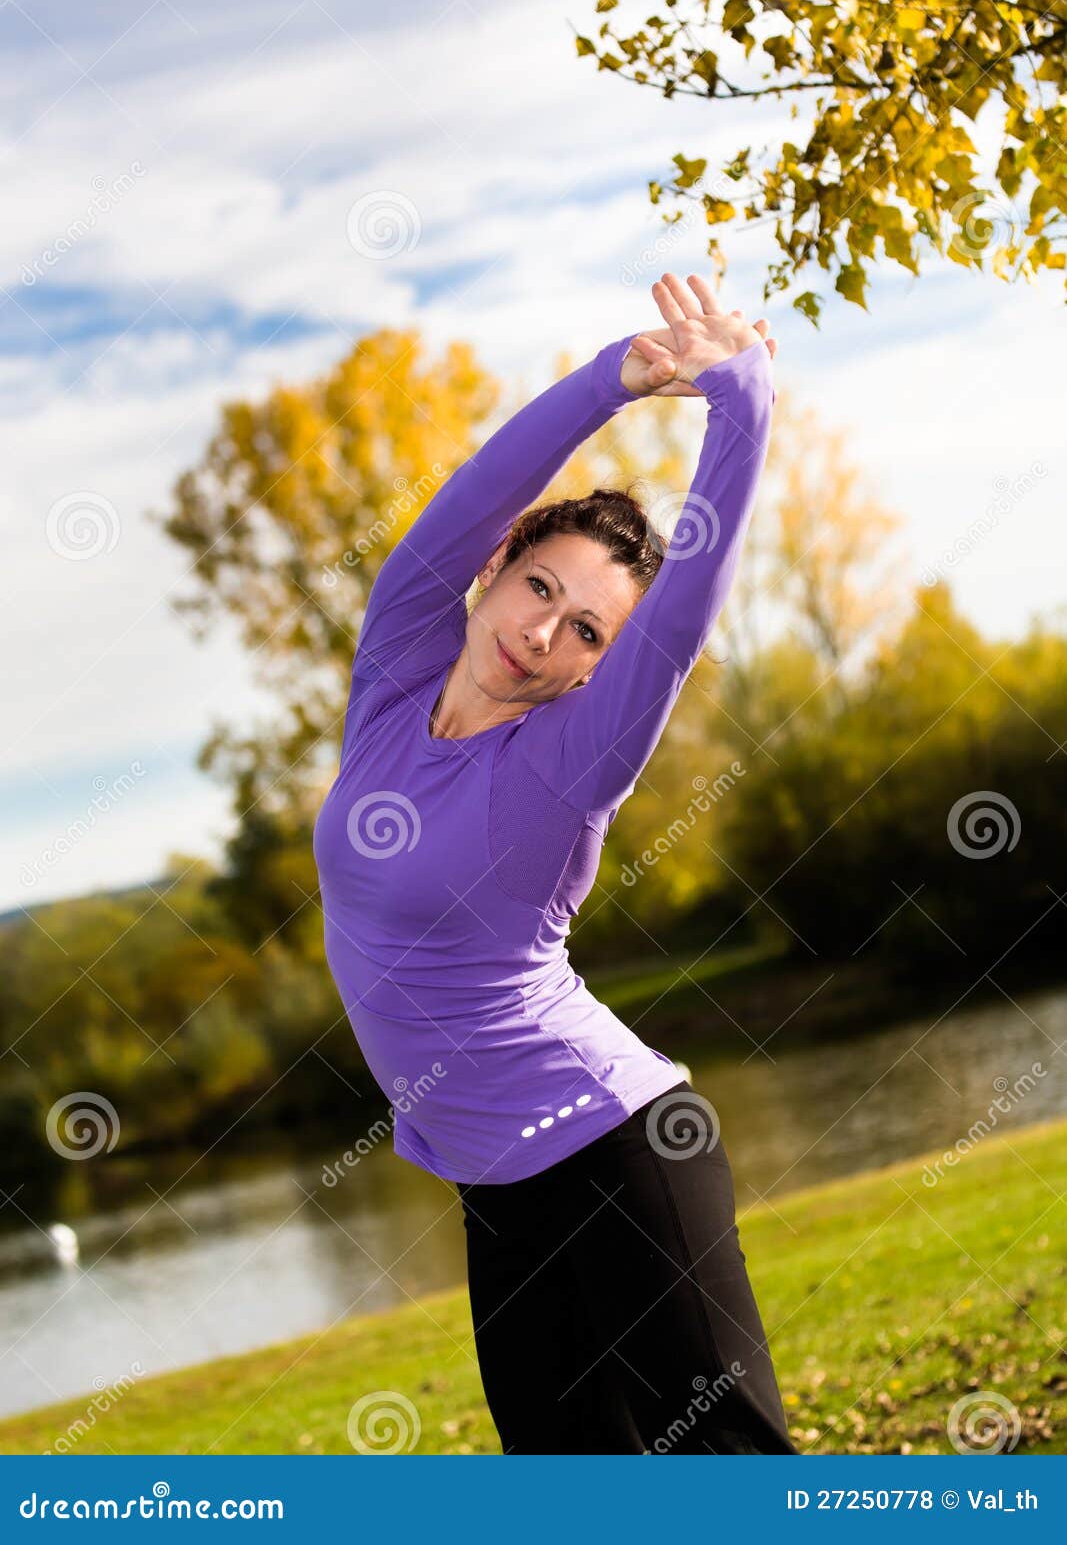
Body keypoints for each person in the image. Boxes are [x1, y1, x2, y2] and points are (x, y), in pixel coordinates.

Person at [313, 271, 798, 1453]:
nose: (540, 633)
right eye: (538, 586)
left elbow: (682, 613)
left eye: (585, 630)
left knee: (732, 1476)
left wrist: (740, 398)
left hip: (618, 1150)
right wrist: (609, 382)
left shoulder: (567, 762)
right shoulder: (392, 681)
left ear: (594, 670)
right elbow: (471, 496)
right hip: (496, 1187)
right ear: (495, 568)